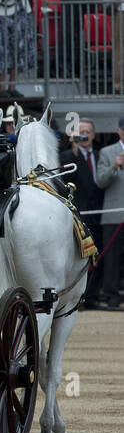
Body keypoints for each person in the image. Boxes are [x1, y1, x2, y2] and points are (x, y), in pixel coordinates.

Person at [61, 119, 108, 309]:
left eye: (88, 131)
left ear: (94, 135)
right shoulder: (67, 156)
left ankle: (94, 295)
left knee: (99, 256)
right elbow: (66, 178)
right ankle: (79, 297)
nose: (84, 135)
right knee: (81, 258)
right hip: (79, 216)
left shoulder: (99, 155)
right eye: (81, 132)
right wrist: (73, 146)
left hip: (100, 213)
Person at [93, 118, 124, 311]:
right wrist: (114, 165)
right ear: (119, 131)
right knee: (111, 259)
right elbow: (100, 182)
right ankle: (112, 295)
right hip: (113, 214)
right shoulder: (107, 152)